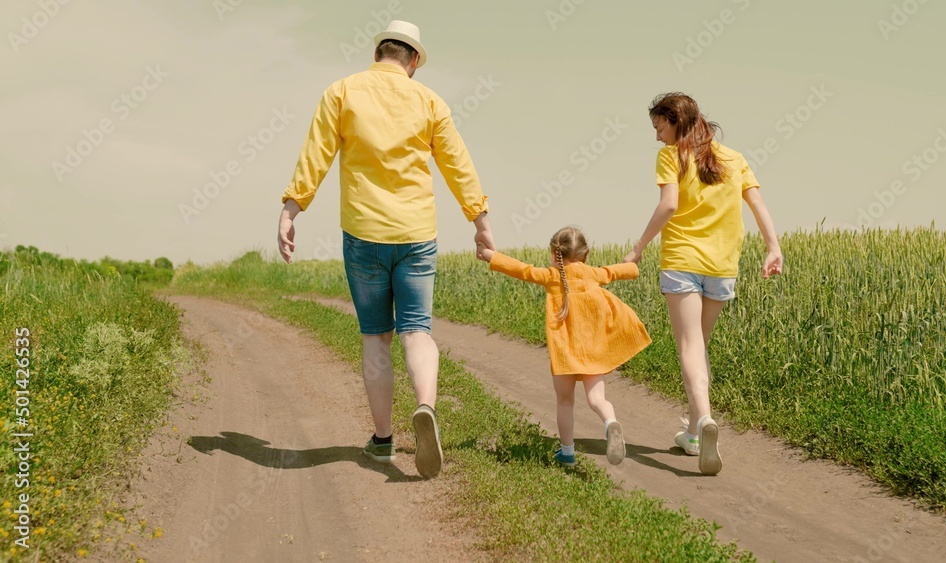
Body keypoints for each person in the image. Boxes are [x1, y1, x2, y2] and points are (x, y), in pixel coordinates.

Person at [276, 20, 495, 479]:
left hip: (363, 235)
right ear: (412, 60)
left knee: (376, 337)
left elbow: (316, 154)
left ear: (379, 52)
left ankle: (382, 442)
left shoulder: (341, 92)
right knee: (417, 330)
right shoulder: (429, 100)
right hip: (416, 235)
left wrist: (291, 210)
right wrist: (479, 221)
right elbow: (458, 164)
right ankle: (426, 406)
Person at [625, 92, 783, 476]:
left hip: (682, 261)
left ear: (675, 120)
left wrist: (638, 249)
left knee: (689, 346)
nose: (658, 135)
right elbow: (758, 204)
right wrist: (773, 247)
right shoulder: (734, 158)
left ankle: (706, 419)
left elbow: (668, 206)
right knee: (701, 345)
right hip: (723, 265)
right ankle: (695, 432)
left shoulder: (671, 157)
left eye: (659, 125)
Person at [479, 227, 651, 467]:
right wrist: (633, 263)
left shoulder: (550, 276)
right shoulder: (594, 273)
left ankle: (567, 453)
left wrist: (489, 255)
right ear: (585, 253)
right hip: (594, 352)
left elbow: (521, 270)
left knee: (565, 402)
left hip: (565, 354)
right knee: (596, 399)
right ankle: (611, 423)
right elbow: (619, 271)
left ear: (553, 253)